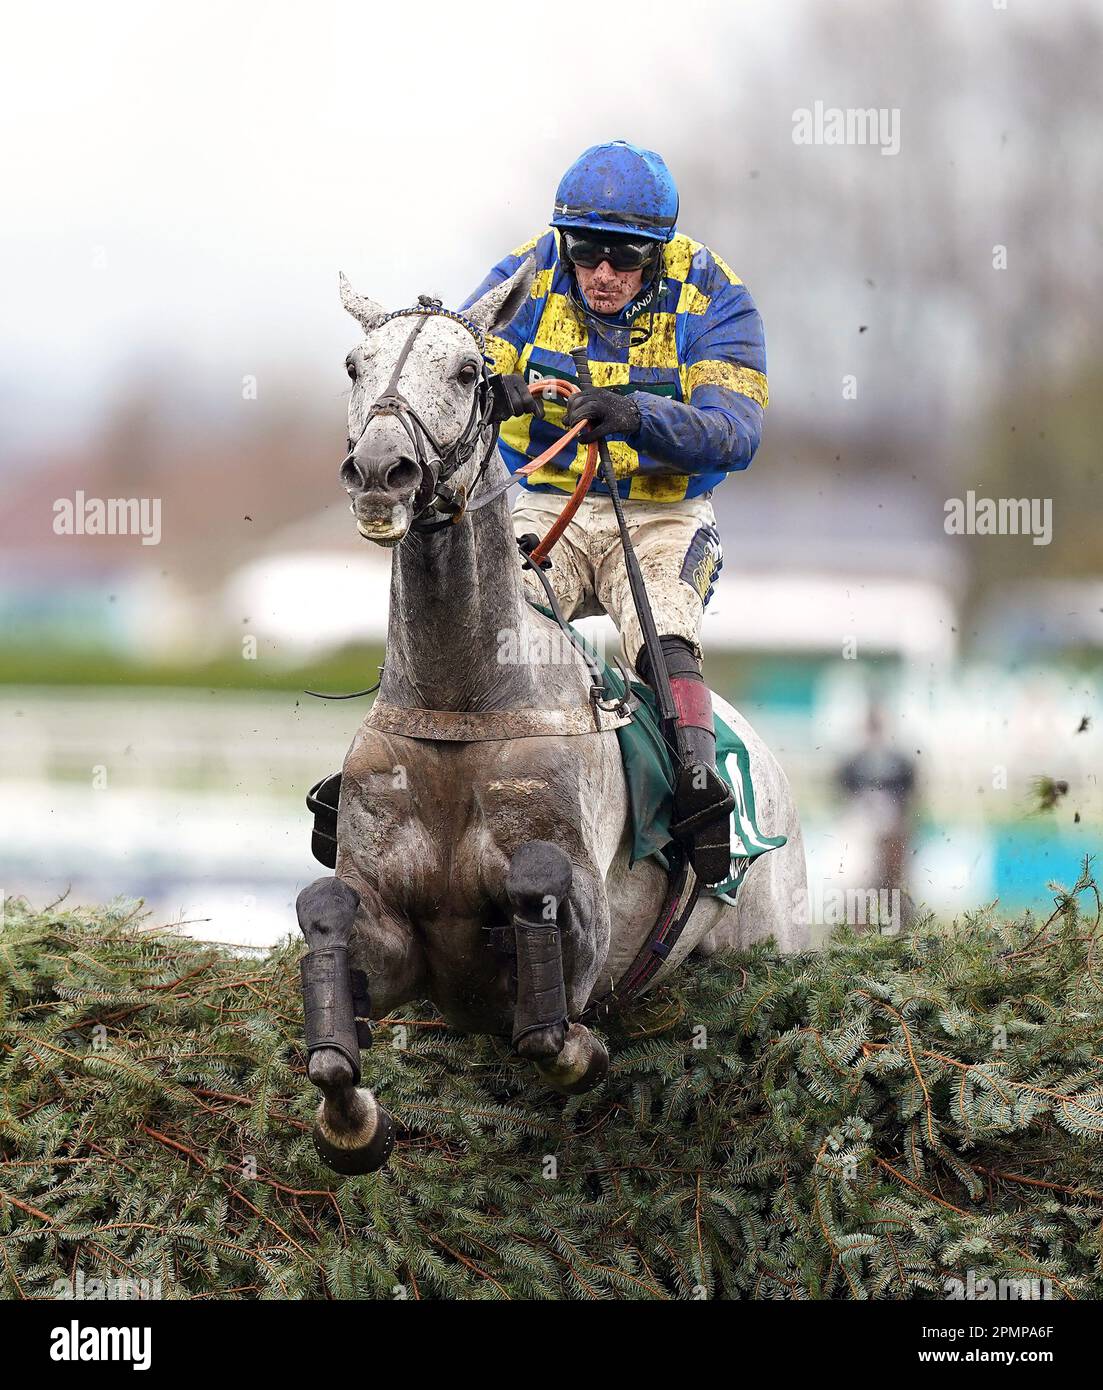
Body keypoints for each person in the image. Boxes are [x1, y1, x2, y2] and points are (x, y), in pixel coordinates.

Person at [461, 140, 769, 883]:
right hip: (545, 503)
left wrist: (636, 416)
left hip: (665, 512)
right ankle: (400, 776)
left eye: (623, 257)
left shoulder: (712, 292)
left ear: (657, 254)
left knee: (663, 623)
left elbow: (736, 435)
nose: (601, 274)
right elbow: (458, 365)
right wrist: (488, 390)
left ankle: (699, 793)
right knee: (483, 626)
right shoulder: (527, 271)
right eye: (586, 253)